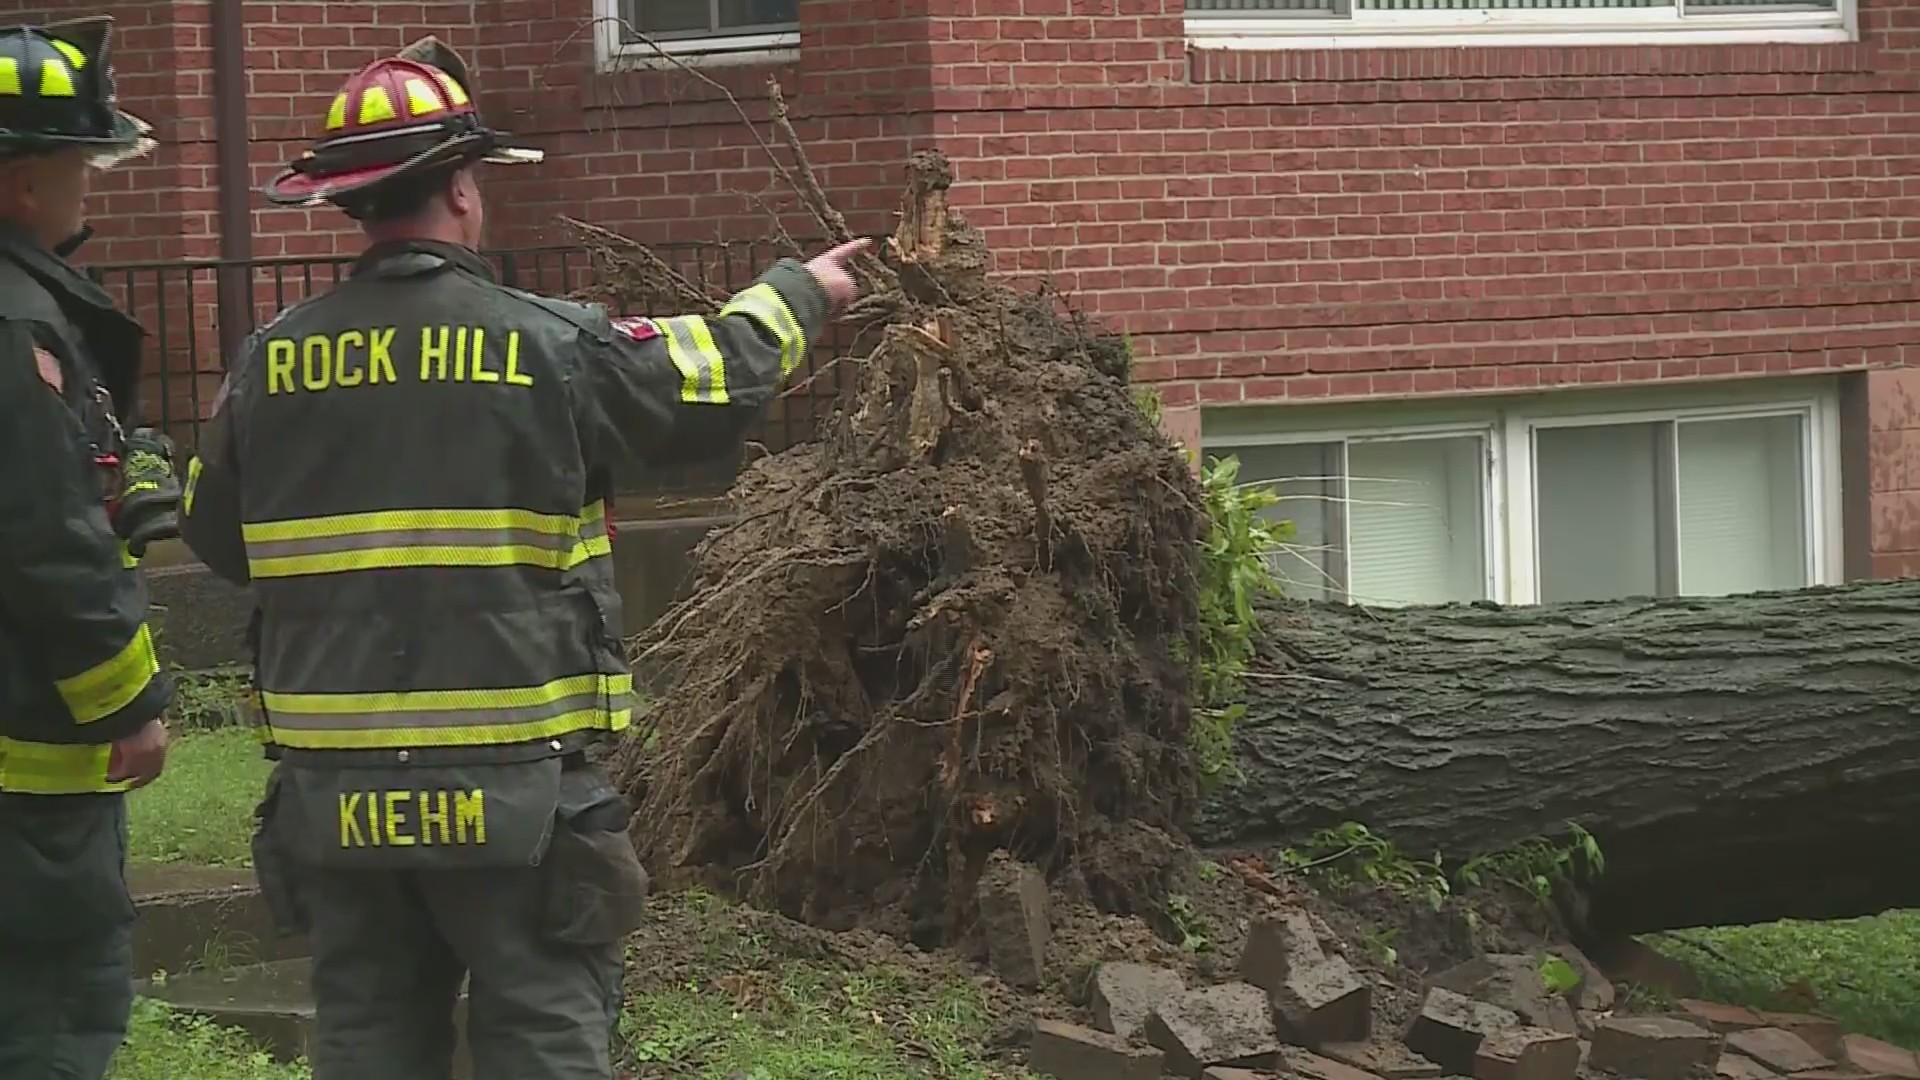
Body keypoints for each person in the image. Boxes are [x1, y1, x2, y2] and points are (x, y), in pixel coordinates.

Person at [178, 36, 869, 1080]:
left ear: (353, 203)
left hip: (337, 804)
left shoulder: (266, 370)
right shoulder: (548, 346)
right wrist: (804, 290)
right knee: (544, 1042)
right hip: (515, 807)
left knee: (366, 1044)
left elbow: (213, 537)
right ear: (461, 187)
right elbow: (718, 371)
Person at [0, 14, 180, 1080]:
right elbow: (45, 542)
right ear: (24, 181)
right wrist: (131, 704)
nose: (90, 188)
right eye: (81, 163)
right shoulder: (16, 328)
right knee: (53, 1019)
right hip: (29, 776)